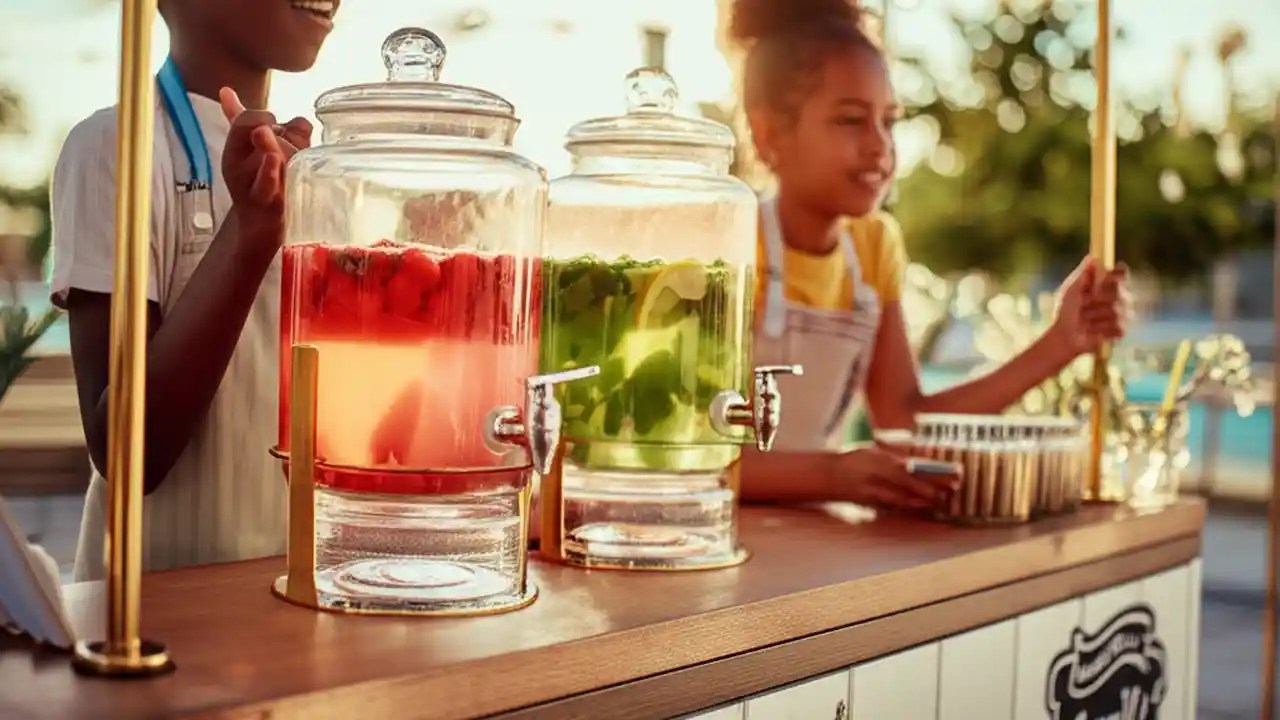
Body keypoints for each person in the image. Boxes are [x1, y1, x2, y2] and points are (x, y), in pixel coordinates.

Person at [728, 0, 1131, 511]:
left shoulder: (874, 246)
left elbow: (903, 422)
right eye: (851, 120)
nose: (880, 147)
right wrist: (831, 475)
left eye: (889, 121)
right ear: (768, 135)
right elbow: (686, 456)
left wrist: (1061, 342)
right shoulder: (729, 243)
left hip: (813, 533)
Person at [50, 0, 339, 580]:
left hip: (294, 596)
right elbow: (127, 454)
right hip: (159, 608)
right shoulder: (117, 146)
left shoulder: (317, 173)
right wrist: (249, 234)